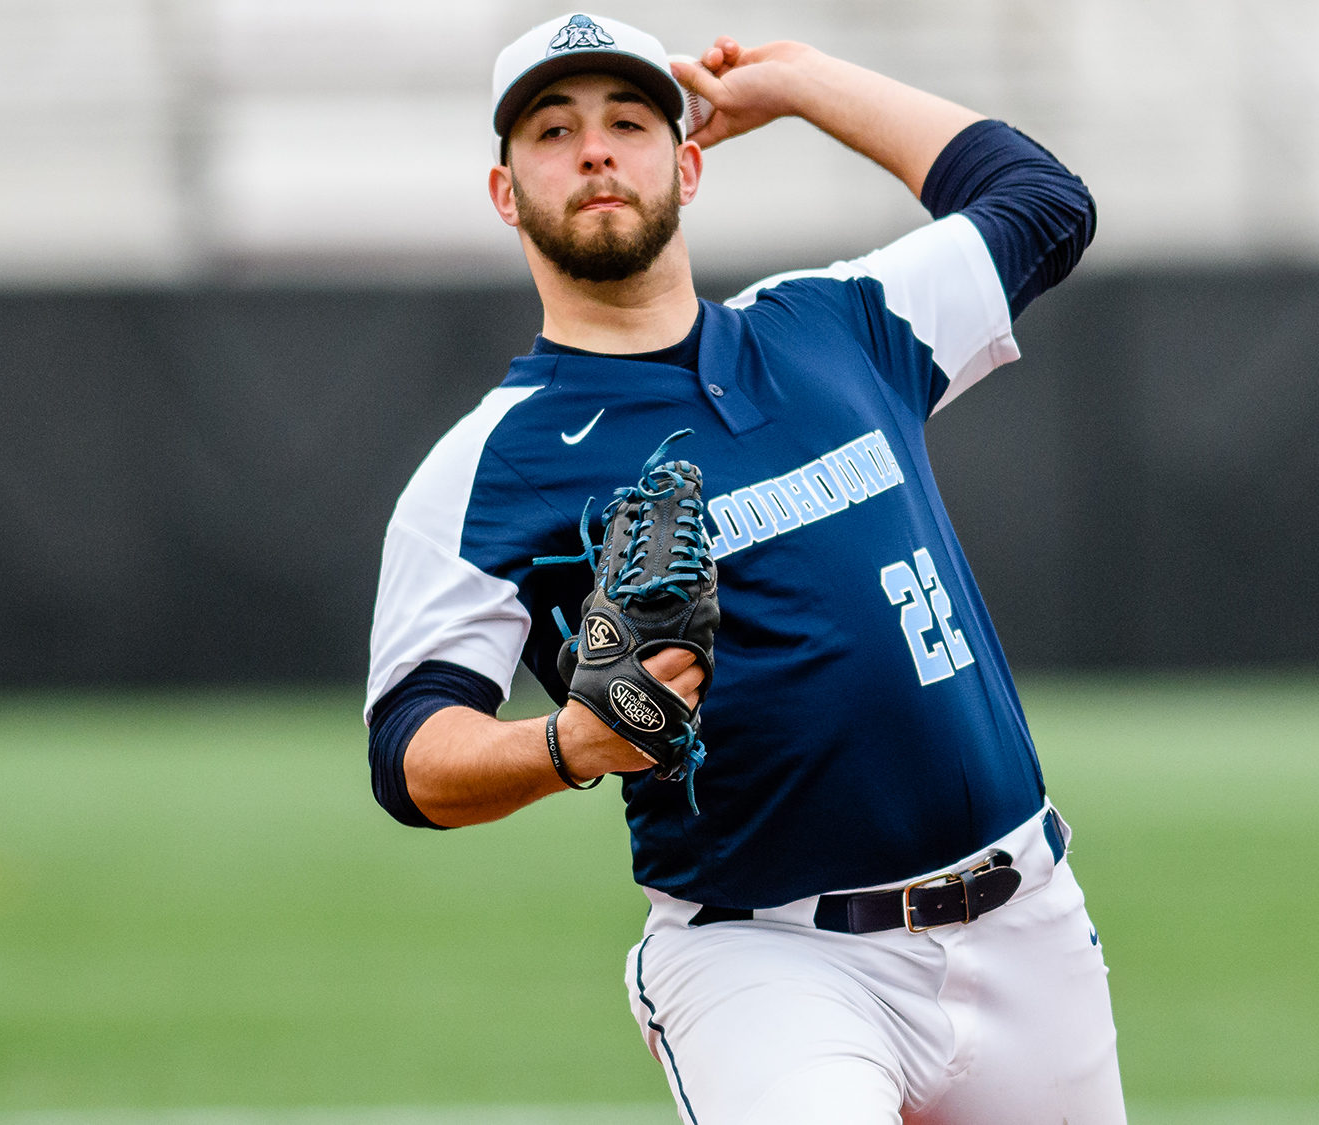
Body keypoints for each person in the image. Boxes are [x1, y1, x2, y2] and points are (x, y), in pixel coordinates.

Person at [365, 12, 1119, 1123]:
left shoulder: (838, 328)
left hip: (1027, 922)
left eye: (628, 120)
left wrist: (807, 83)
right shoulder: (487, 463)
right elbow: (409, 753)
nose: (593, 150)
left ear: (687, 163)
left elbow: (1041, 204)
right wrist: (564, 746)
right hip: (771, 960)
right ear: (503, 190)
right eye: (550, 129)